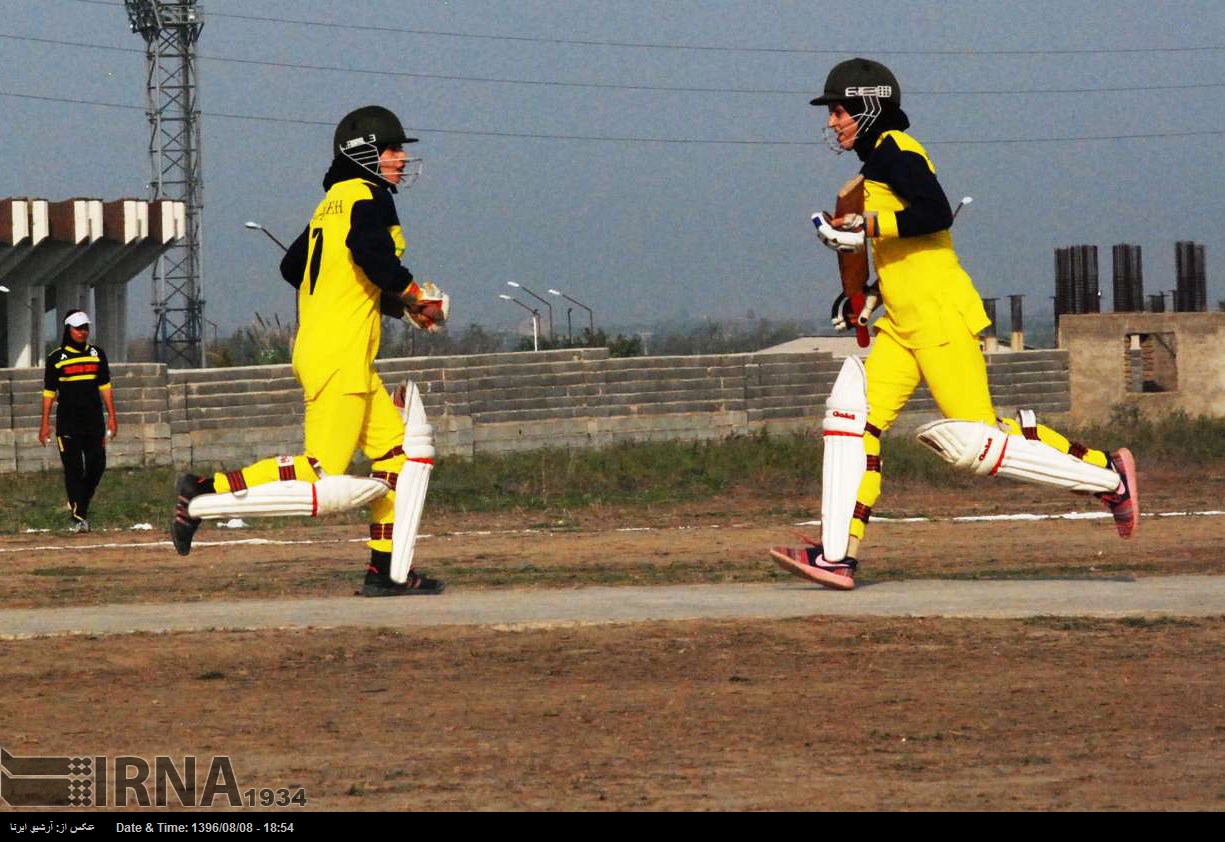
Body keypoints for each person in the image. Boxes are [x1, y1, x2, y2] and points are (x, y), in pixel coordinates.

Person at [770, 58, 1138, 591]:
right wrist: (865, 297)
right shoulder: (875, 168)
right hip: (902, 321)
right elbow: (909, 250)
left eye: (840, 110)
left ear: (870, 106)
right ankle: (835, 557)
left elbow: (934, 214)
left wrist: (864, 226)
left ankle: (1111, 479)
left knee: (975, 441)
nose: (833, 122)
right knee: (852, 419)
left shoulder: (898, 150)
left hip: (940, 317)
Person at [172, 104, 448, 596]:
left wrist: (379, 300)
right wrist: (413, 298)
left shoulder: (331, 203)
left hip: (340, 354)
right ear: (365, 154)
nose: (402, 159)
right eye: (393, 149)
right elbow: (372, 254)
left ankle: (383, 573)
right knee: (321, 469)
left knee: (397, 458)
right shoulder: (369, 195)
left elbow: (295, 266)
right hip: (339, 356)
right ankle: (202, 491)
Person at [40, 309, 118, 533]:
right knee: (73, 469)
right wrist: (44, 423)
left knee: (97, 465)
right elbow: (48, 393)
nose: (83, 332)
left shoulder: (97, 355)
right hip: (68, 423)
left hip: (94, 422)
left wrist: (113, 416)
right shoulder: (56, 358)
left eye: (86, 328)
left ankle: (79, 506)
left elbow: (105, 387)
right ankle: (78, 516)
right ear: (68, 330)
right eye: (78, 328)